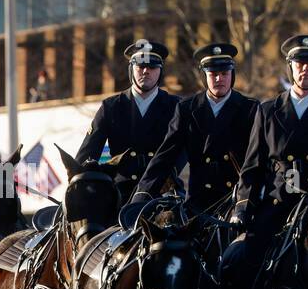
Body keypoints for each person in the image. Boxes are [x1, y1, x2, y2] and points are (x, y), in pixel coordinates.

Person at [223, 34, 308, 289]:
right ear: (291, 67)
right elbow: (253, 168)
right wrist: (242, 209)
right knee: (238, 262)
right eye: (299, 63)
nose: (305, 69)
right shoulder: (268, 110)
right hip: (277, 205)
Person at [133, 42, 258, 212]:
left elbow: (258, 161)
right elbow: (166, 156)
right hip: (198, 204)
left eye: (224, 73)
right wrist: (142, 195)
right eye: (213, 74)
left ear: (232, 74)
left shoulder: (250, 108)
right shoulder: (187, 108)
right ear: (203, 76)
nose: (219, 79)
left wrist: (245, 204)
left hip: (238, 201)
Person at [77, 39, 180, 201]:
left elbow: (187, 150)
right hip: (120, 192)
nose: (146, 71)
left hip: (164, 189)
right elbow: (87, 154)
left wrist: (167, 173)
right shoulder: (111, 106)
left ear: (160, 71)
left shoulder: (176, 106)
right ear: (131, 69)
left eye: (152, 67)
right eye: (140, 66)